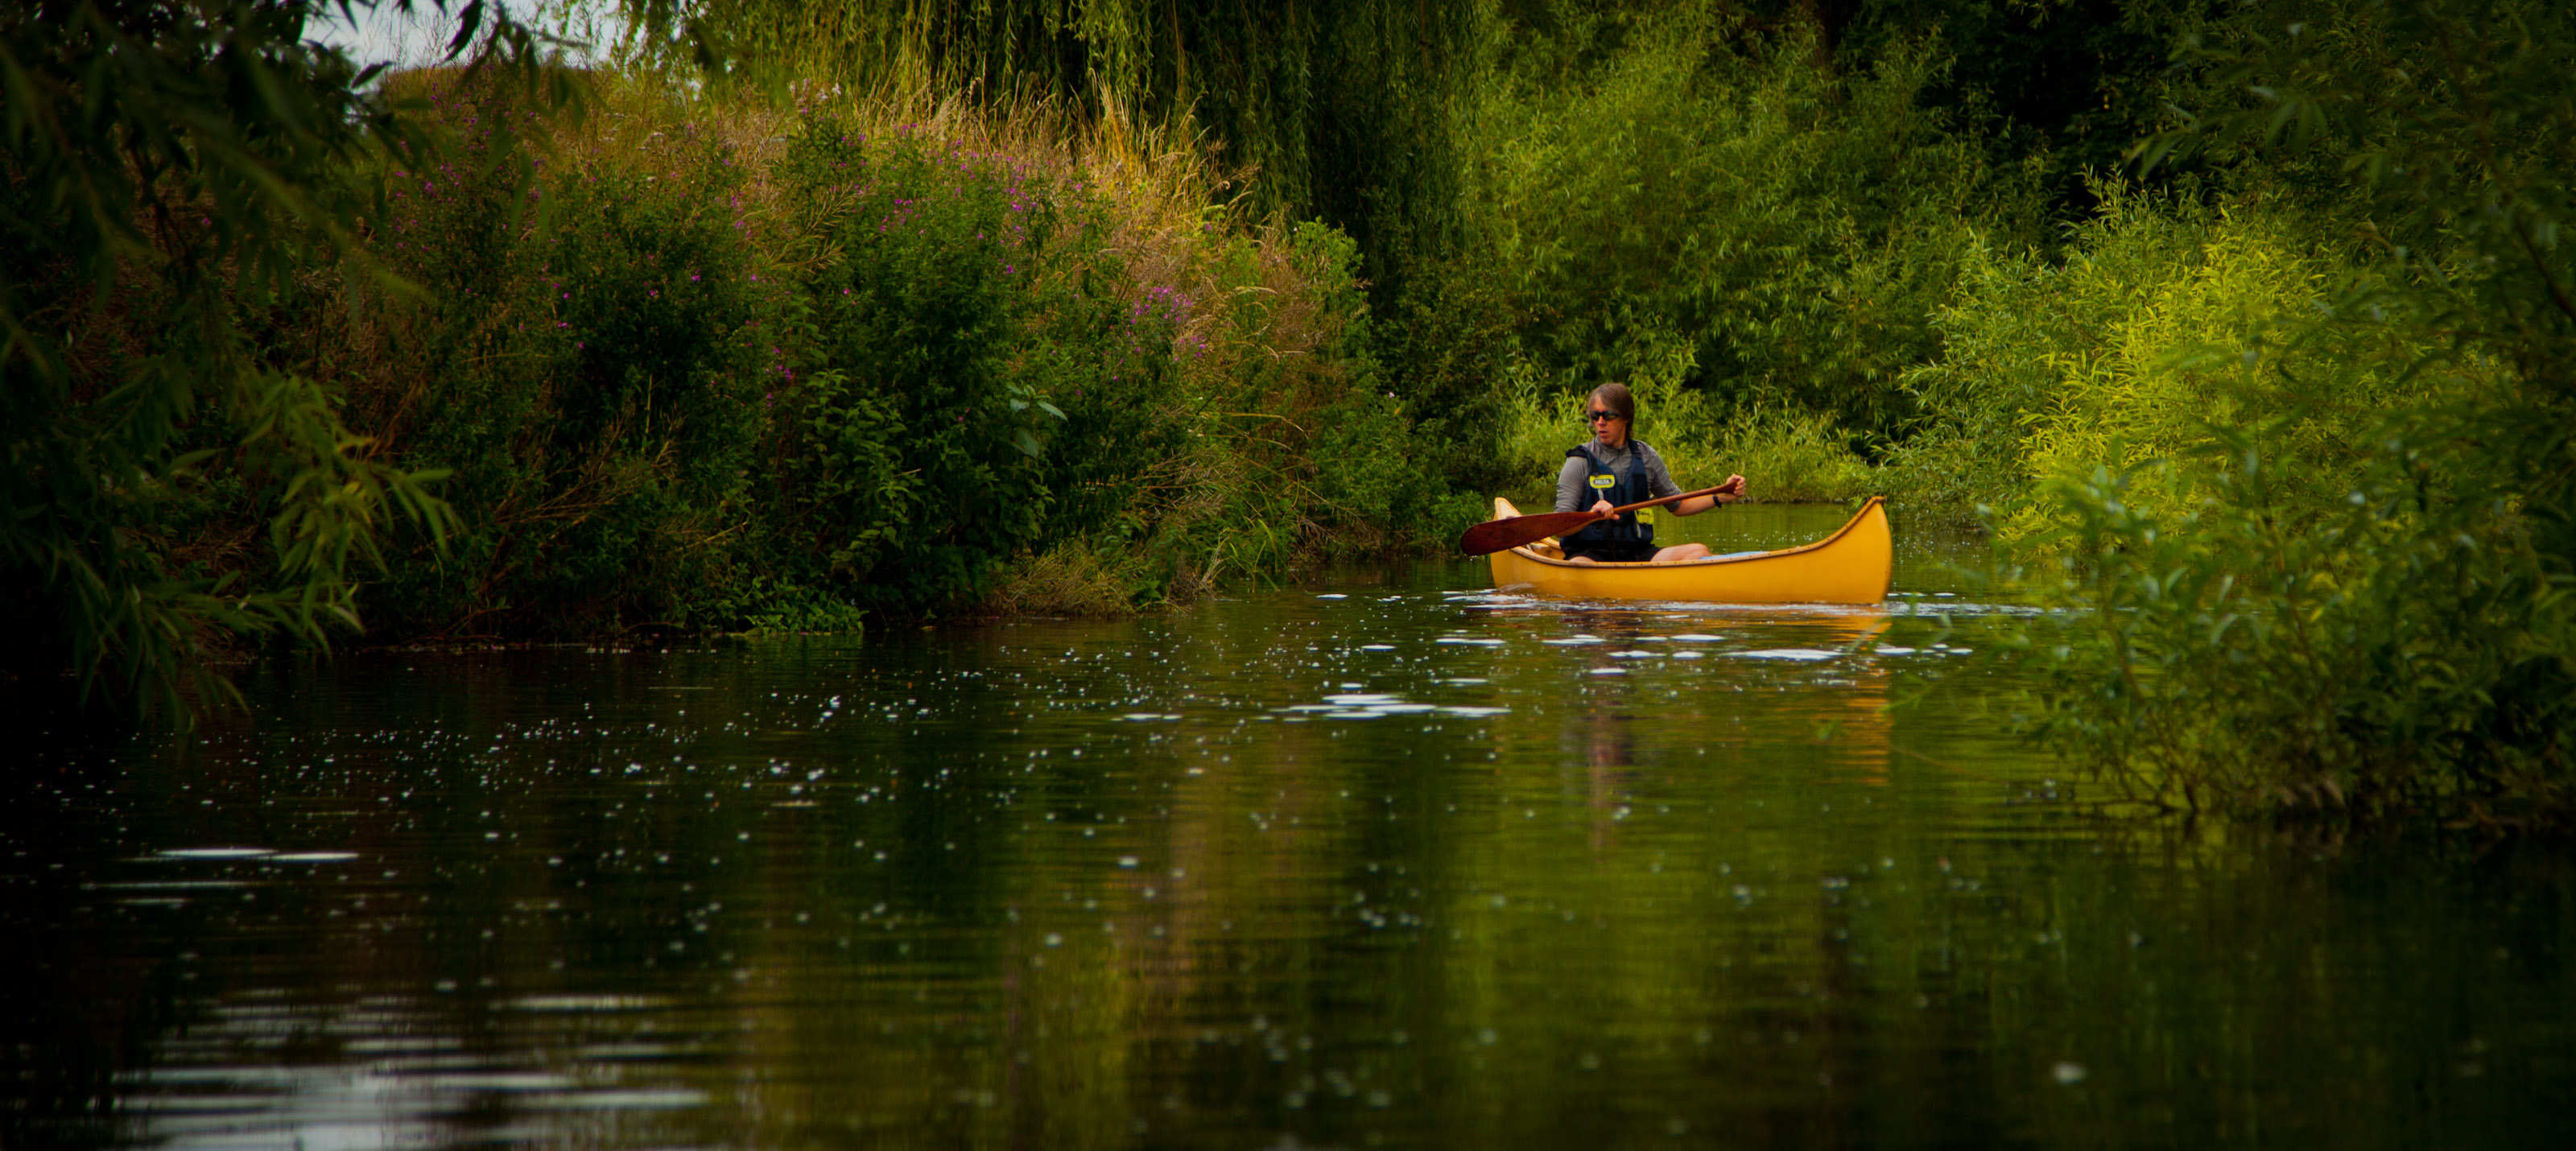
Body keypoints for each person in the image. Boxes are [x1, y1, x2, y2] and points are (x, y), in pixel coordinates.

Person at [1553, 382, 1746, 563]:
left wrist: (1719, 496)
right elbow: (1559, 526)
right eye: (1595, 416)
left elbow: (1679, 505)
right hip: (1589, 556)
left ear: (1626, 417)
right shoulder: (1578, 462)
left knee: (1699, 551)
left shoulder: (1646, 457)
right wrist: (1592, 514)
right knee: (1581, 565)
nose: (1600, 423)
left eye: (1608, 415)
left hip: (1638, 553)